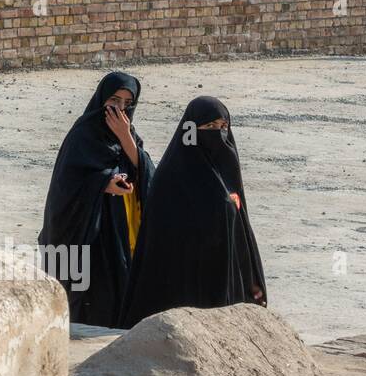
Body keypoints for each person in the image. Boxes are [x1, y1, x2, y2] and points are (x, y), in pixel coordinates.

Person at [119, 97, 267, 328]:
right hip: (181, 285)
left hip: (222, 278)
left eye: (223, 127)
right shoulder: (170, 177)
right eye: (208, 127)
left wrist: (250, 280)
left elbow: (240, 229)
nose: (217, 134)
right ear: (190, 130)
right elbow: (164, 242)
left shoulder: (226, 168)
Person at [40, 72, 155, 328]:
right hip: (90, 235)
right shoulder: (82, 135)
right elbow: (66, 185)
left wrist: (125, 136)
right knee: (92, 301)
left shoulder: (129, 134)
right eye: (114, 100)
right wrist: (103, 184)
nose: (120, 109)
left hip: (122, 234)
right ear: (102, 99)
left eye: (127, 103)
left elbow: (147, 174)